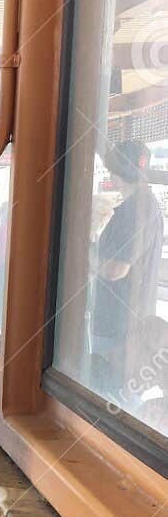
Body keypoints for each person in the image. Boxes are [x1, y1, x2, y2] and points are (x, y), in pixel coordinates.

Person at [90, 141, 163, 397]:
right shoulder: (145, 206)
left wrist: (83, 248)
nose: (111, 176)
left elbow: (115, 270)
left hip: (117, 326)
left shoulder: (136, 209)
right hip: (125, 324)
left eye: (113, 170)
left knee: (110, 397)